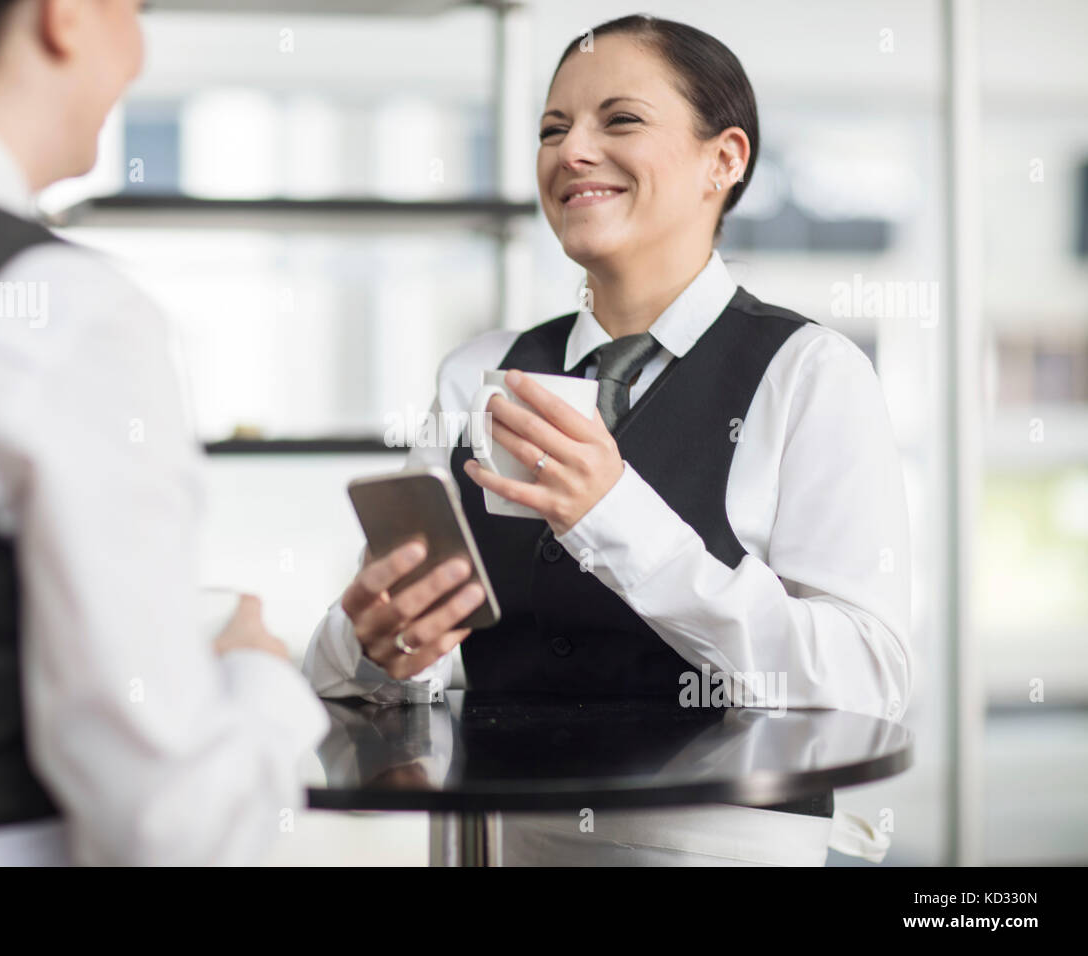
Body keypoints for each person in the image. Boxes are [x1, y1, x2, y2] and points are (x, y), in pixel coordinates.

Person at [303, 15, 912, 865]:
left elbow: (869, 686)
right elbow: (379, 684)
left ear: (724, 160)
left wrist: (617, 515)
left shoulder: (811, 373)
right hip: (499, 845)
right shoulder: (479, 372)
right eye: (553, 129)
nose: (571, 151)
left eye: (618, 121)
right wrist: (372, 647)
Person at [0, 0, 326, 866]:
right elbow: (168, 827)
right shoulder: (57, 310)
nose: (139, 50)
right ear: (66, 14)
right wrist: (258, 677)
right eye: (137, 10)